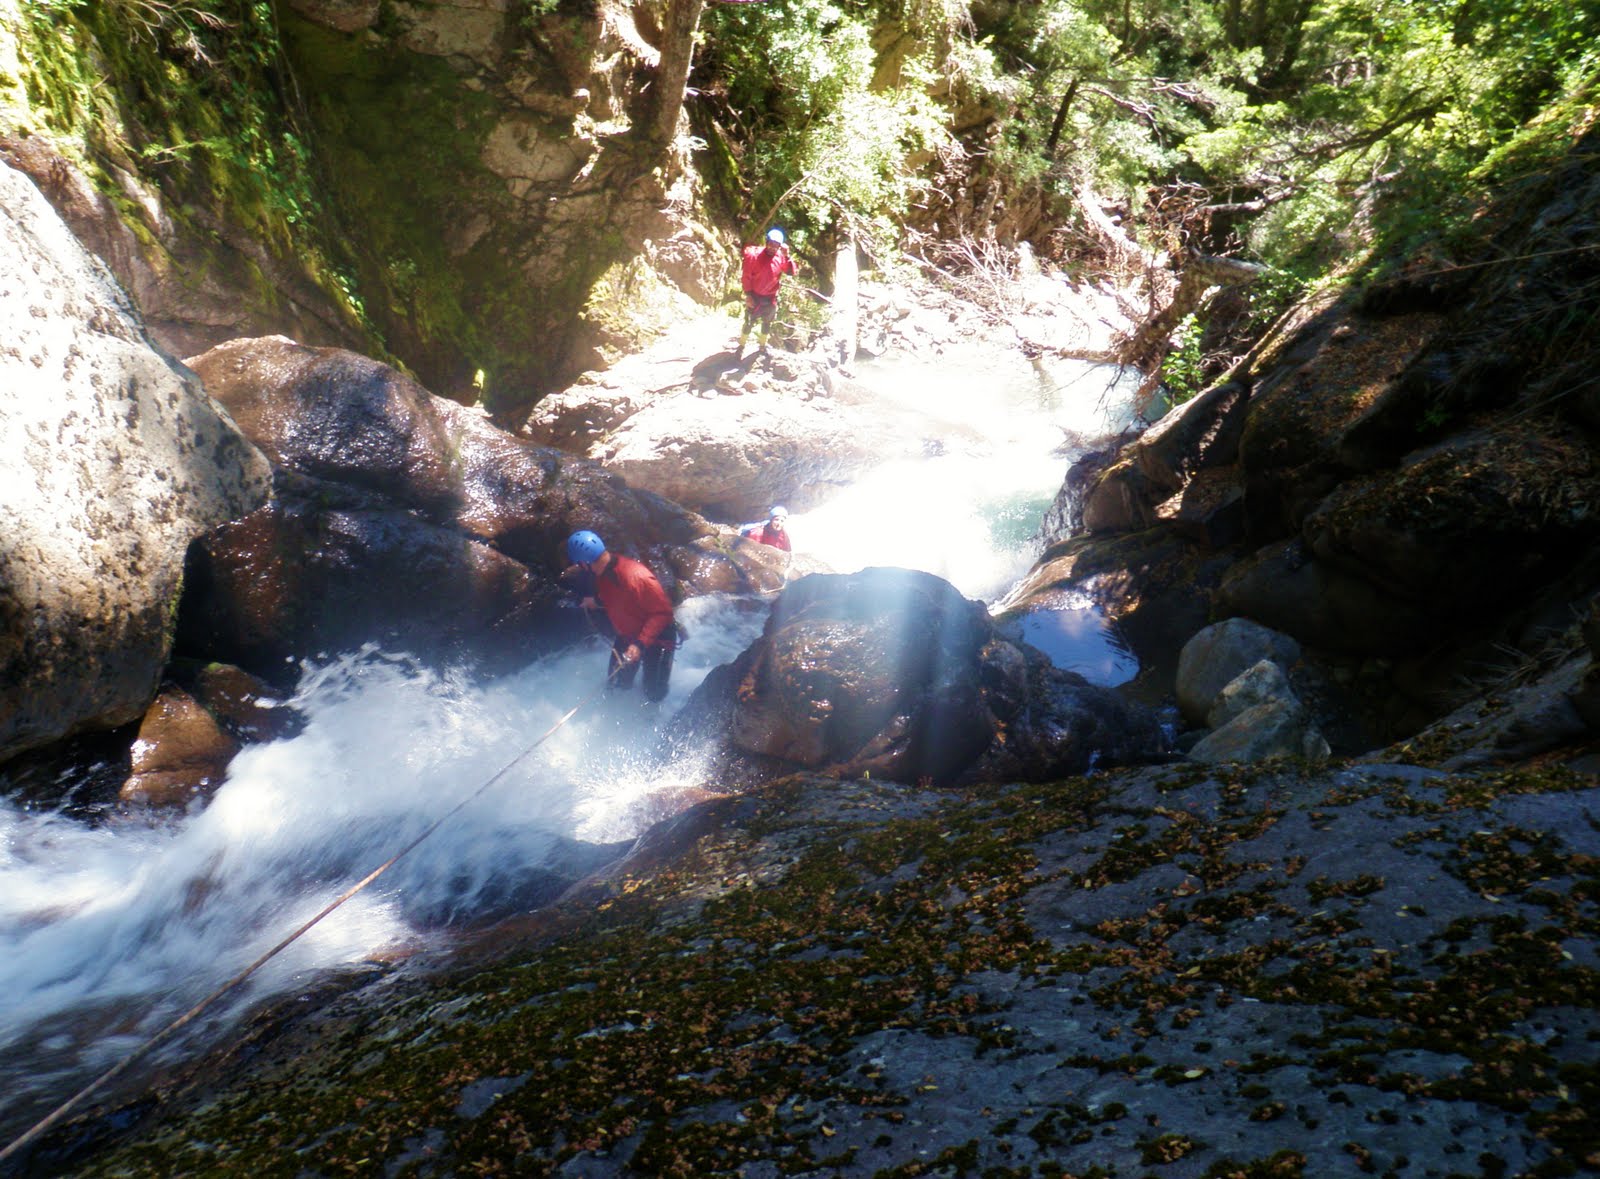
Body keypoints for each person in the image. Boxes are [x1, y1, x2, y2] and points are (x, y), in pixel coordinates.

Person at [565, 530, 678, 704]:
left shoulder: (637, 577)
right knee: (615, 685)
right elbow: (616, 595)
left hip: (659, 638)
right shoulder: (603, 573)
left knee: (654, 694)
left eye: (579, 565)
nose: (579, 568)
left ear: (585, 563)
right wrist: (595, 601)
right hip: (630, 634)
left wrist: (640, 644)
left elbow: (662, 613)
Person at [737, 227, 797, 358]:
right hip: (754, 295)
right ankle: (741, 346)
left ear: (780, 247)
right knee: (748, 323)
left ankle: (762, 346)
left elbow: (792, 272)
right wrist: (748, 295)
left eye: (776, 246)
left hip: (770, 298)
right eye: (770, 244)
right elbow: (746, 276)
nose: (772, 248)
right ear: (766, 242)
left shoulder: (781, 258)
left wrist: (787, 256)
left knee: (767, 323)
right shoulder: (754, 255)